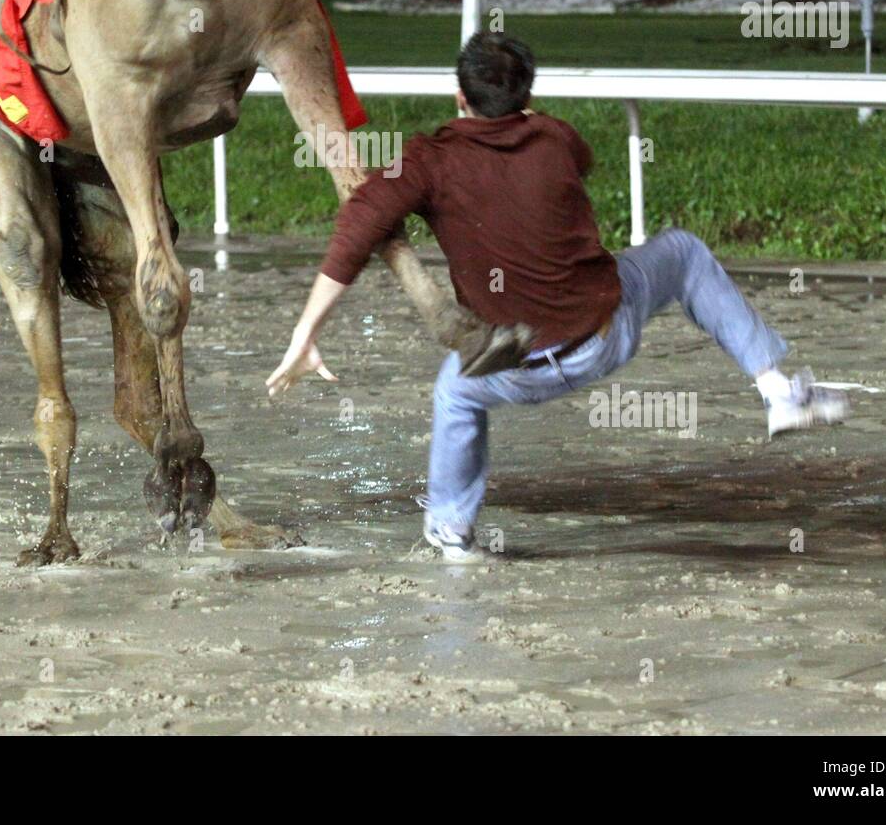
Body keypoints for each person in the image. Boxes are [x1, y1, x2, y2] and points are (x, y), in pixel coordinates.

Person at [266, 31, 846, 561]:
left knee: (454, 395)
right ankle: (777, 389)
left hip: (512, 367)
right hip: (604, 335)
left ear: (458, 96)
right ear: (526, 94)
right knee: (685, 253)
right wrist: (531, 124)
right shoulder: (556, 137)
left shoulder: (428, 160)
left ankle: (451, 537)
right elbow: (581, 159)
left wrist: (306, 333)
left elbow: (356, 232)